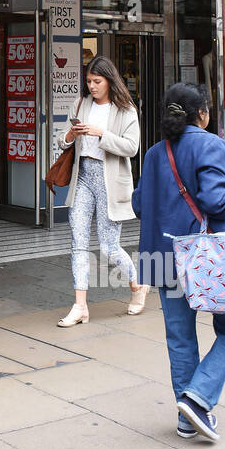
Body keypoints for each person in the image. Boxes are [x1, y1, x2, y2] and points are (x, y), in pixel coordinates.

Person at [132, 82, 225, 442]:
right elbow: (213, 202)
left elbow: (138, 205)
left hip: (162, 257)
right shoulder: (211, 144)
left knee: (180, 338)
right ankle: (198, 400)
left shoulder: (153, 154)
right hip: (206, 259)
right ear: (202, 113)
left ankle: (186, 420)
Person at [56, 55, 144, 327]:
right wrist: (71, 136)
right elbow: (62, 139)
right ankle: (80, 305)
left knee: (109, 246)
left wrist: (100, 134)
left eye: (97, 81)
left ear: (109, 80)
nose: (92, 86)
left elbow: (132, 147)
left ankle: (138, 284)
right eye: (89, 81)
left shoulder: (125, 109)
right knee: (78, 242)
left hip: (109, 180)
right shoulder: (81, 104)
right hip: (82, 177)